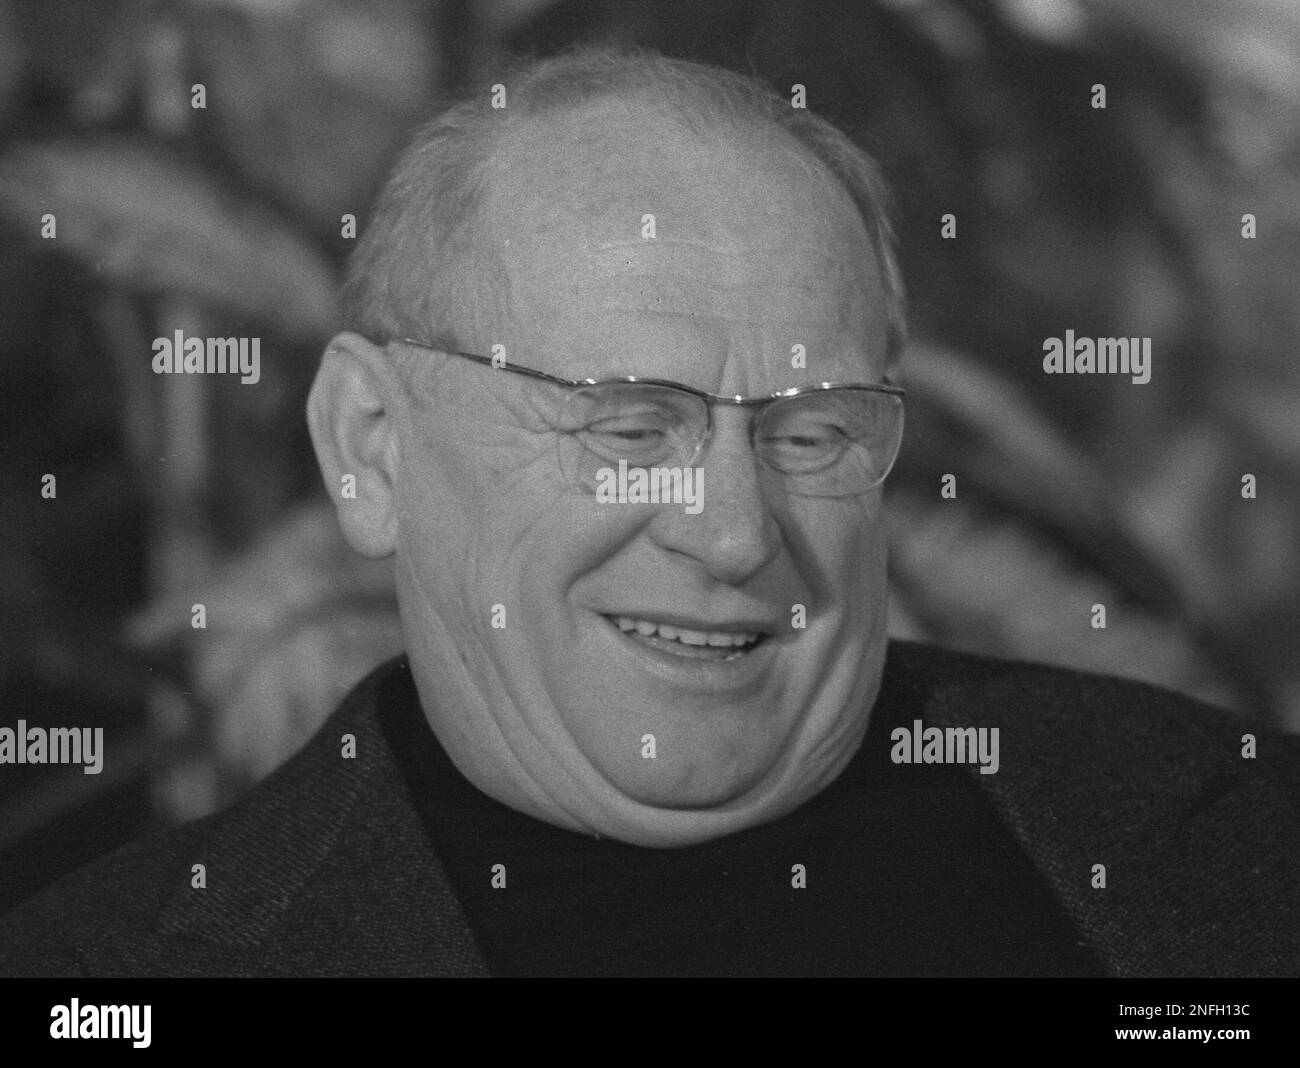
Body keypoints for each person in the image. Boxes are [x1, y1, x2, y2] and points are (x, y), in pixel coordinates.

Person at [1, 48, 1297, 978]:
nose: (734, 535)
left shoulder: (1239, 839)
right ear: (373, 448)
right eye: (630, 425)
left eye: (813, 431)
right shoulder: (104, 978)